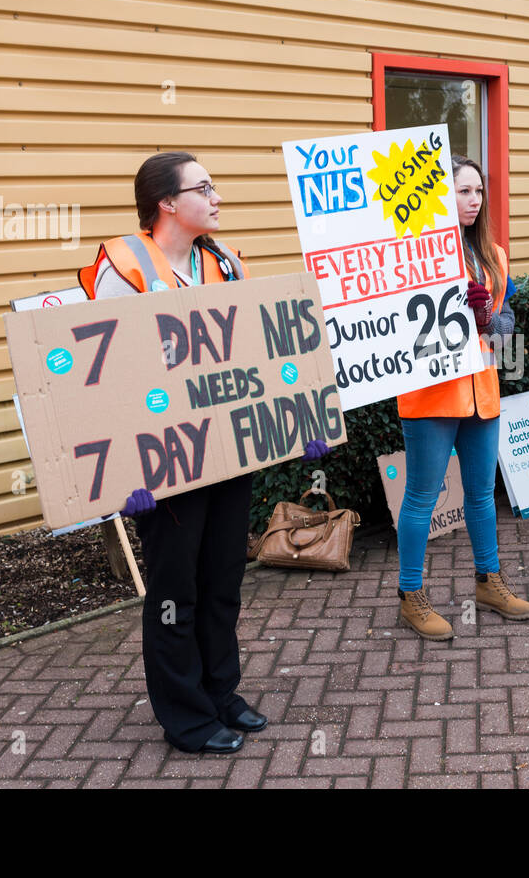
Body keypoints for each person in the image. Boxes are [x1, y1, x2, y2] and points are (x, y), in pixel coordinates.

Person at [78, 151, 328, 755]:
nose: (216, 197)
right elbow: (98, 373)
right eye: (204, 188)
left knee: (221, 581)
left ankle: (221, 693)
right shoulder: (124, 266)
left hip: (224, 453)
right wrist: (121, 473)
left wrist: (302, 418)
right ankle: (185, 715)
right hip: (163, 462)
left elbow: (257, 354)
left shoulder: (223, 261)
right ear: (167, 203)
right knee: (174, 591)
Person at [392, 155, 529, 640]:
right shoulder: (412, 257)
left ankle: (488, 581)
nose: (472, 200)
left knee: (481, 494)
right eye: (461, 191)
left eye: (477, 191)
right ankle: (411, 596)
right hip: (431, 395)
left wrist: (488, 318)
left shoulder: (493, 253)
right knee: (421, 498)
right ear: (436, 197)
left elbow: (507, 328)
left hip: (482, 392)